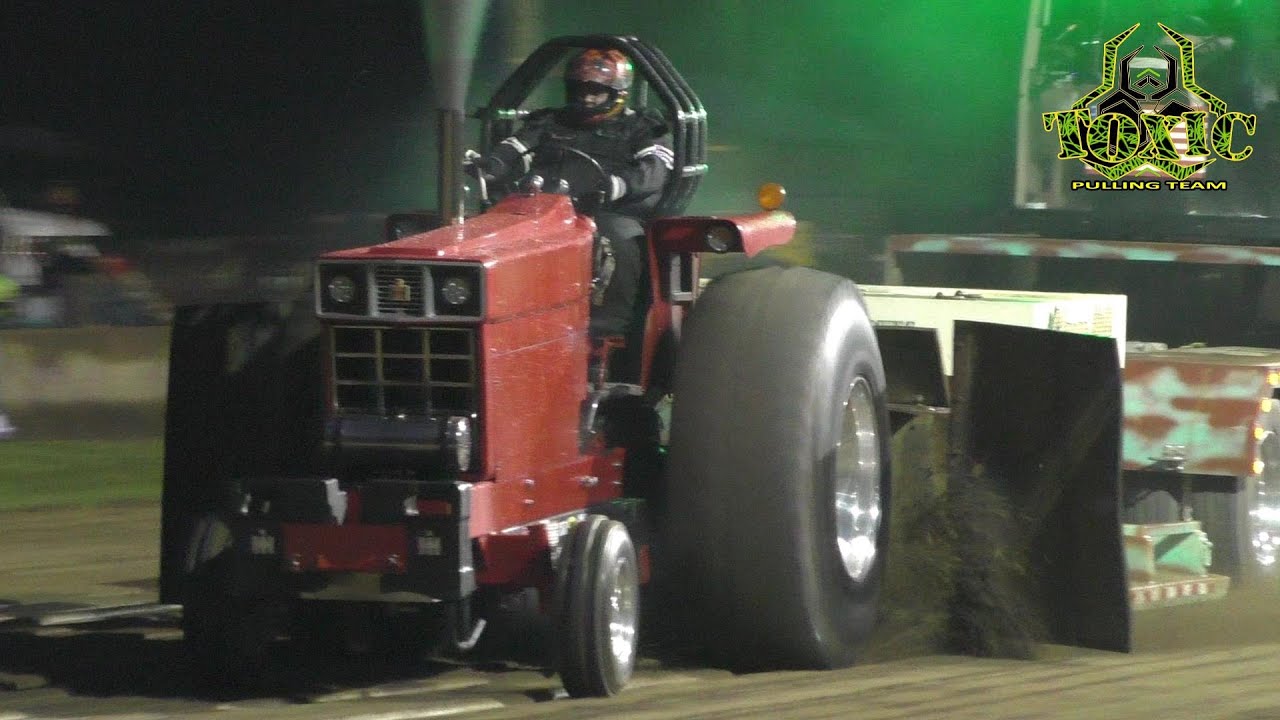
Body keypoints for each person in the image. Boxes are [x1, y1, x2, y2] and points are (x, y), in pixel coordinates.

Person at [475, 47, 675, 337]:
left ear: (618, 93)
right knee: (497, 232)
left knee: (617, 237)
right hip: (544, 208)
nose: (587, 97)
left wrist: (614, 186)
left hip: (611, 210)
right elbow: (515, 146)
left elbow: (655, 169)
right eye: (580, 88)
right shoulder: (549, 121)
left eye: (596, 90)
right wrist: (493, 164)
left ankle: (610, 326)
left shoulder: (644, 128)